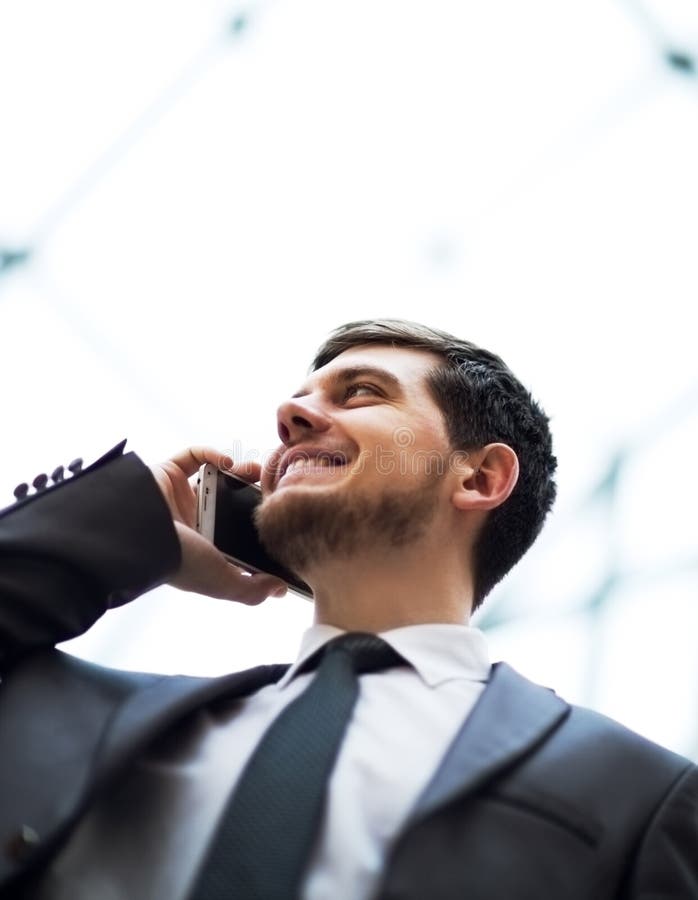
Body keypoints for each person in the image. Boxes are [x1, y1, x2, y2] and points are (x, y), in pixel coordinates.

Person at [0, 318, 696, 900]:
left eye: (361, 394)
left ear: (481, 477)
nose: (289, 418)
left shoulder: (642, 793)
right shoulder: (82, 714)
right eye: (298, 404)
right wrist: (129, 524)